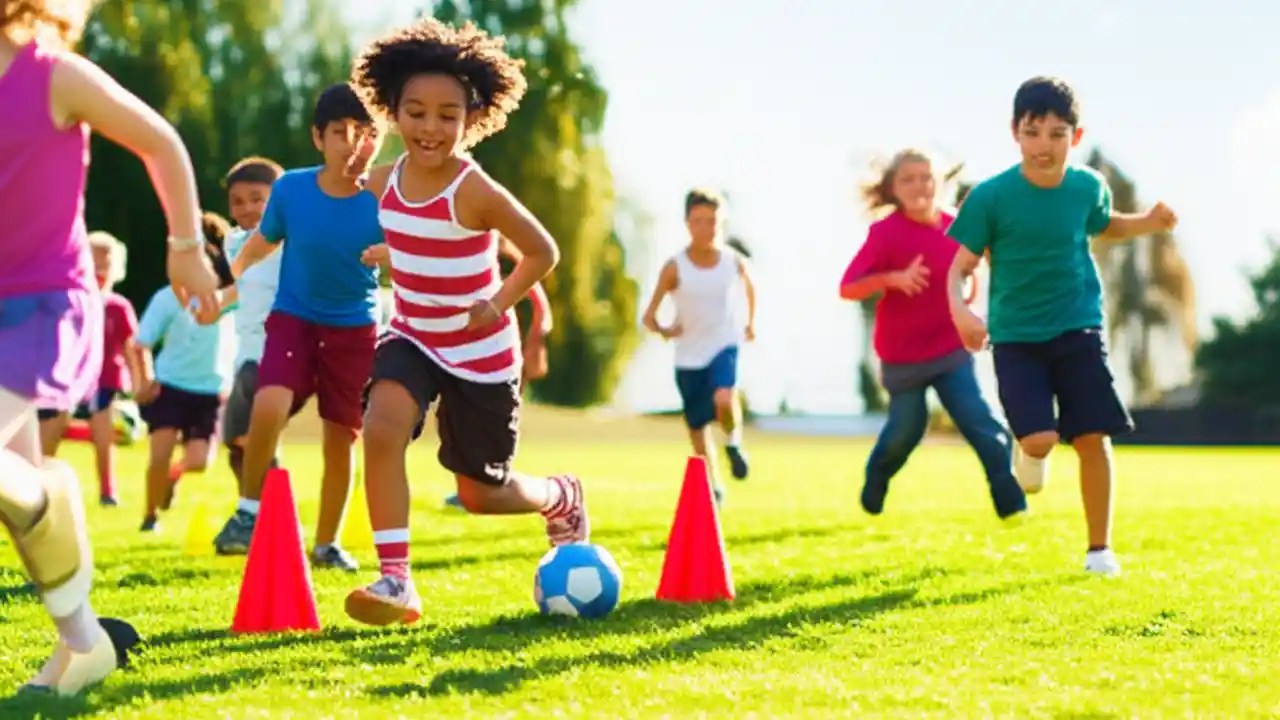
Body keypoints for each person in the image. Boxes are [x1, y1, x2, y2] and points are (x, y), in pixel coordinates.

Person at [0, 0, 219, 694]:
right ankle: (85, 643)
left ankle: (51, 496)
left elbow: (162, 143)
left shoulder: (54, 76)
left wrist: (185, 249)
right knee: (20, 499)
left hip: (43, 307)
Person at [339, 17, 588, 626]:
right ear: (391, 111)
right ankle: (397, 582)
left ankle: (560, 496)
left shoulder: (475, 190)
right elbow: (347, 192)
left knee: (482, 494)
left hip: (480, 353)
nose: (430, 128)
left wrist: (498, 306)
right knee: (381, 426)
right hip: (415, 336)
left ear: (473, 119)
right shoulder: (383, 180)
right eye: (416, 112)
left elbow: (543, 251)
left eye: (447, 115)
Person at [946, 76, 1178, 576]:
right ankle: (1029, 449)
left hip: (1078, 327)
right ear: (1015, 132)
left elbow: (1103, 223)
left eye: (1056, 134)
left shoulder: (1087, 186)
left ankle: (1100, 551)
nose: (1044, 145)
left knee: (1094, 436)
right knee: (1039, 442)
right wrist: (961, 312)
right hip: (1016, 338)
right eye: (1033, 132)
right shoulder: (992, 196)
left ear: (1075, 137)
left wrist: (1149, 222)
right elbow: (960, 265)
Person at [212, 83, 386, 573]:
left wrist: (392, 252)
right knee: (268, 403)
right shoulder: (290, 187)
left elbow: (418, 248)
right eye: (340, 132)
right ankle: (248, 513)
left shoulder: (385, 197)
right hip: (293, 319)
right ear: (318, 137)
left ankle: (327, 544)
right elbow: (265, 240)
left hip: (354, 329)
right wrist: (234, 278)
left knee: (340, 437)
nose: (353, 143)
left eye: (366, 133)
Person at [838, 149, 1026, 521]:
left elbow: (970, 276)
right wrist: (892, 279)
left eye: (926, 177)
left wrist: (969, 299)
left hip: (949, 349)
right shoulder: (884, 234)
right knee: (905, 432)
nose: (919, 186)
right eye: (908, 179)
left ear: (940, 182)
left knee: (978, 421)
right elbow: (848, 288)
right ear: (893, 188)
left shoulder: (958, 227)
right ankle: (877, 476)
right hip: (901, 354)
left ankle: (1011, 503)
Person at [640, 188, 756, 503]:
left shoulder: (733, 261)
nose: (706, 228)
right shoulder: (675, 267)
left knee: (724, 396)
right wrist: (665, 329)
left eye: (713, 222)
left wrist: (749, 323)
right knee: (698, 427)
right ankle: (714, 484)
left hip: (724, 344)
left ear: (723, 223)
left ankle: (733, 443)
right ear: (687, 223)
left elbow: (749, 287)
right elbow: (648, 316)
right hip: (689, 356)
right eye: (699, 221)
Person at [134, 214, 238, 531]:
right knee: (159, 455)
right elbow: (140, 343)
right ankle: (150, 517)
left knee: (199, 462)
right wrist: (145, 380)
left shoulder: (228, 298)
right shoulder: (167, 299)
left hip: (210, 390)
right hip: (170, 387)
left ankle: (173, 476)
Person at [211, 156, 290, 534]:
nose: (247, 208)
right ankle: (263, 517)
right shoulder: (233, 242)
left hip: (273, 351)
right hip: (245, 352)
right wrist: (211, 304)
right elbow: (242, 289)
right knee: (235, 444)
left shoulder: (291, 240)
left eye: (258, 199)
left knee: (252, 437)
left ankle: (259, 518)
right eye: (238, 201)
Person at [37, 231, 142, 507]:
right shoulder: (68, 301)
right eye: (94, 263)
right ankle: (39, 486)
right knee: (50, 432)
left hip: (104, 378)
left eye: (106, 264)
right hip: (66, 379)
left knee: (103, 434)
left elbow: (131, 347)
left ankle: (108, 490)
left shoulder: (118, 307)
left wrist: (140, 380)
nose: (99, 270)